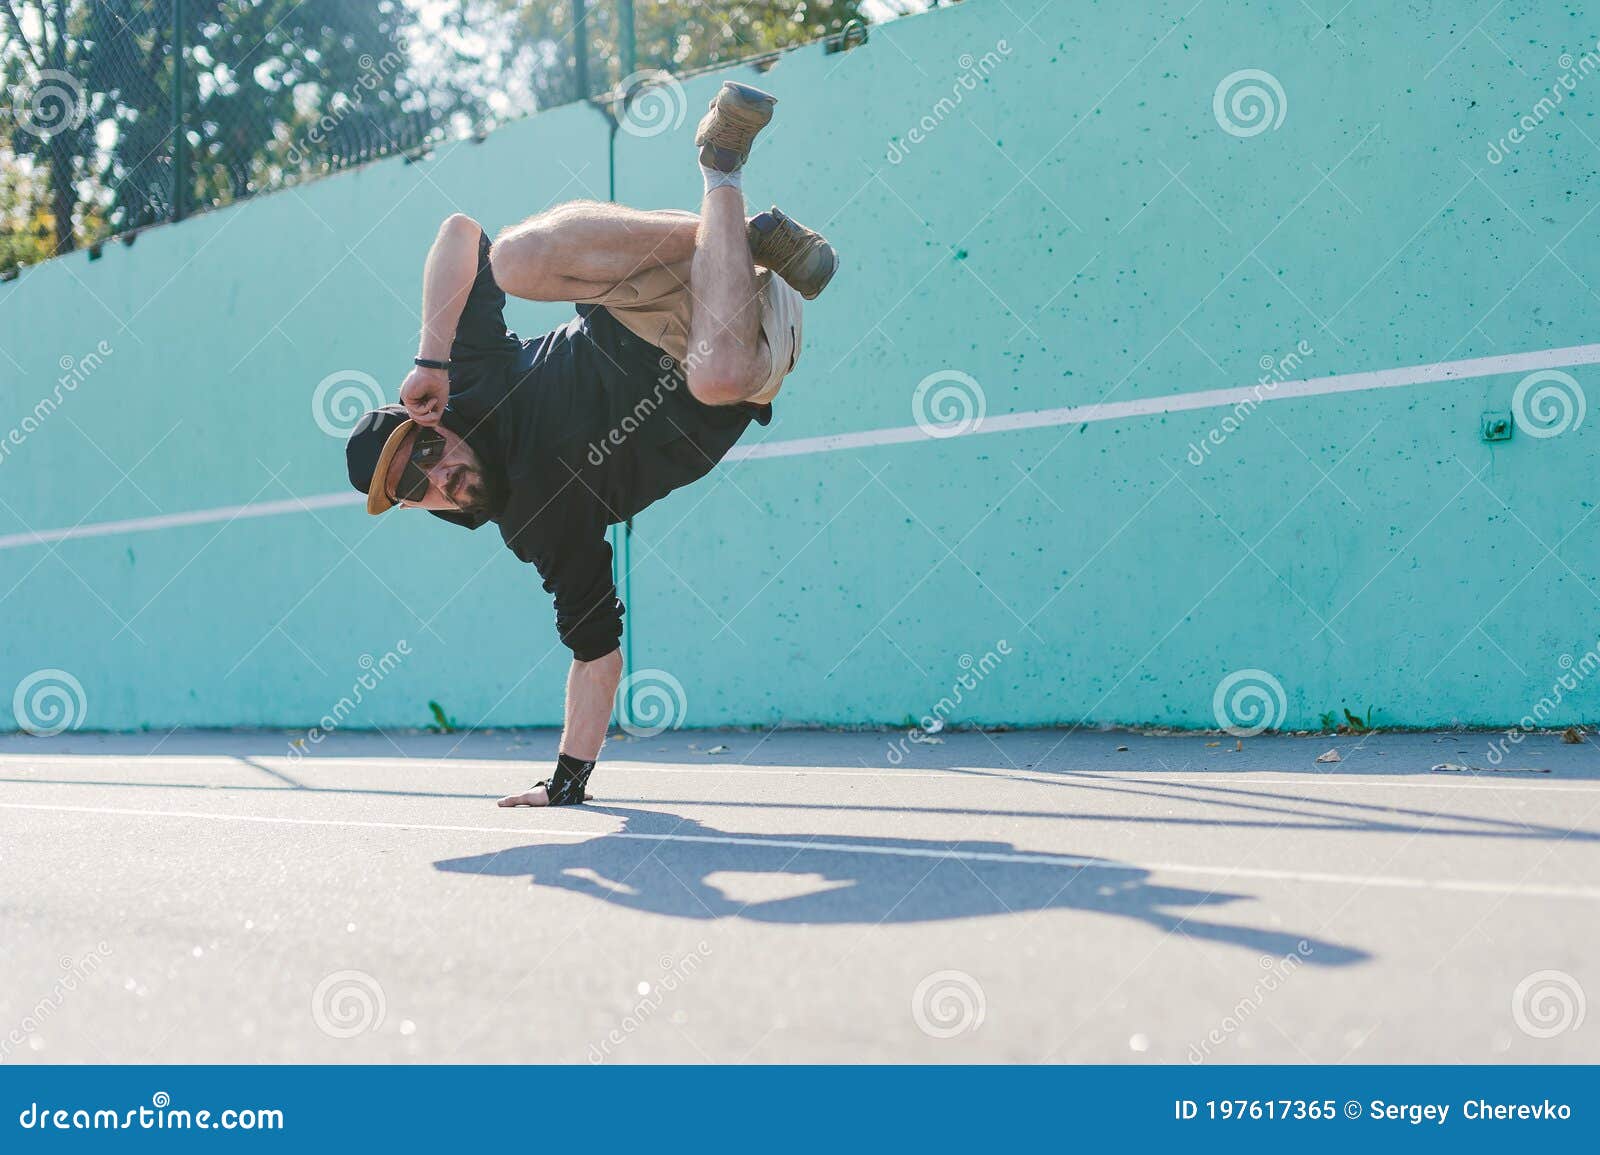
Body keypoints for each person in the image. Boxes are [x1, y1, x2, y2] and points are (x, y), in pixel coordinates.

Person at [343, 81, 837, 807]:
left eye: (423, 452)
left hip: (650, 293)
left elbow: (458, 232)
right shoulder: (542, 528)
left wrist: (429, 357)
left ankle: (720, 181)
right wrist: (567, 782)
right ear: (419, 508)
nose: (436, 474)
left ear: (430, 420)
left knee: (513, 255)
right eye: (415, 488)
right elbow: (595, 656)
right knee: (718, 376)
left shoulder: (467, 377)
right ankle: (729, 213)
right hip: (735, 343)